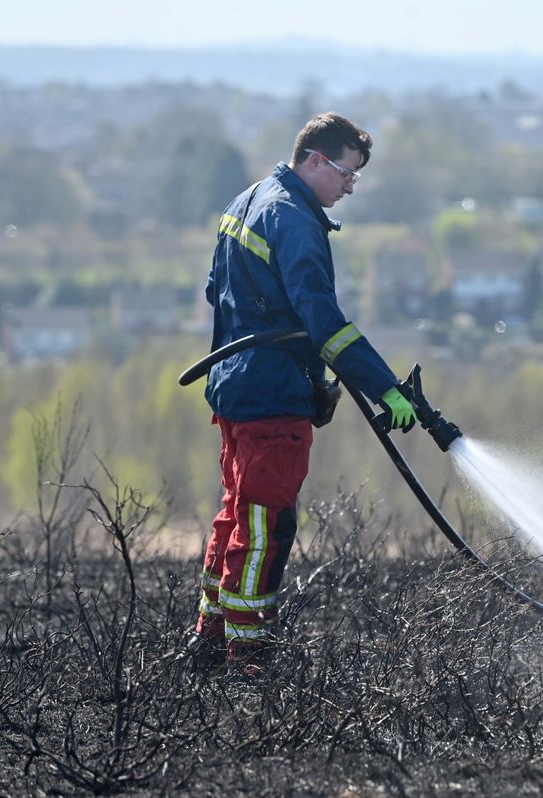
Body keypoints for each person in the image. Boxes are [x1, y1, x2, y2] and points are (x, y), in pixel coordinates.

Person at [188, 112, 417, 676]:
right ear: (314, 159)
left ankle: (210, 637)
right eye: (345, 174)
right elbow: (325, 322)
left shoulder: (248, 200)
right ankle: (249, 655)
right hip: (271, 398)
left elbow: (219, 291)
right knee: (266, 524)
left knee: (236, 513)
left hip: (234, 390)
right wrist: (385, 389)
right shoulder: (293, 220)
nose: (349, 187)